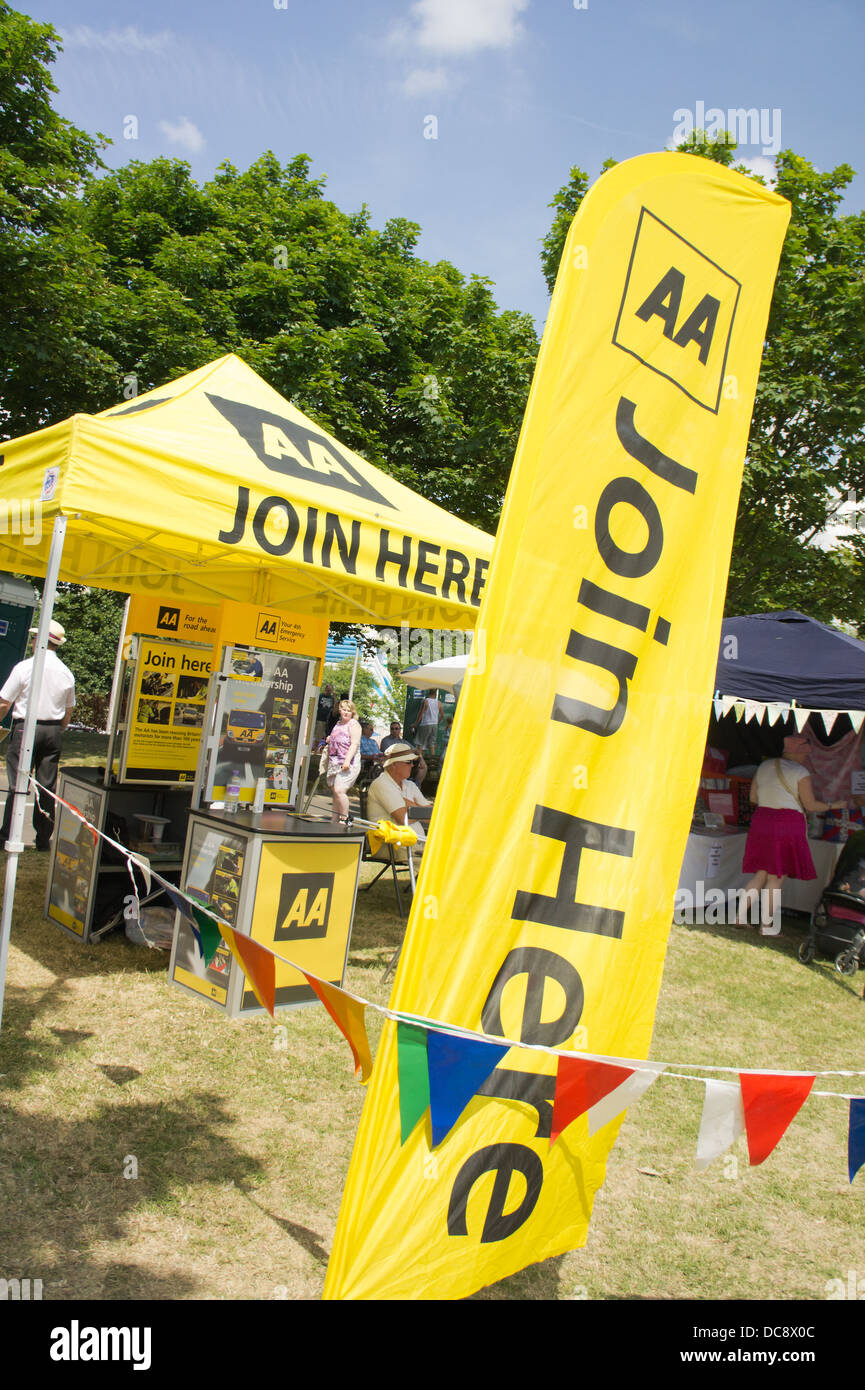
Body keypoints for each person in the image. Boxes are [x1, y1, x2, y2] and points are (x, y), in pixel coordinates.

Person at [735, 734, 847, 935]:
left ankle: (740, 917)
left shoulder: (765, 766)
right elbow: (811, 805)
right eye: (804, 753)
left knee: (761, 873)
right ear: (797, 752)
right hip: (787, 824)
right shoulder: (801, 772)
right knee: (776, 878)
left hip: (762, 820)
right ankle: (767, 926)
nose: (806, 757)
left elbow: (753, 797)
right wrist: (834, 805)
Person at [0, 620, 76, 851]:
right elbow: (69, 709)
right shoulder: (66, 672)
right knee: (47, 786)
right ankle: (43, 838)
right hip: (53, 730)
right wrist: (58, 729)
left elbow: (4, 702)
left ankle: (7, 836)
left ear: (39, 642)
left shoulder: (25, 667)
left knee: (18, 783)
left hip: (26, 727)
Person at [367, 742, 431, 845]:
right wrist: (419, 810)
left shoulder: (410, 785)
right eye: (408, 761)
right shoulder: (381, 783)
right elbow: (403, 818)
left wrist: (409, 804)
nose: (412, 765)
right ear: (393, 764)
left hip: (414, 845)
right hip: (393, 846)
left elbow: (431, 816)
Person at [324, 698, 361, 822]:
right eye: (344, 710)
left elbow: (354, 744)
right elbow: (336, 737)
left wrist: (347, 761)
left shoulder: (354, 725)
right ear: (340, 710)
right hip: (335, 762)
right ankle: (334, 819)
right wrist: (330, 739)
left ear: (352, 713)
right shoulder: (338, 723)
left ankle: (344, 818)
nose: (346, 712)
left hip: (348, 763)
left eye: (348, 711)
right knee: (335, 792)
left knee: (340, 790)